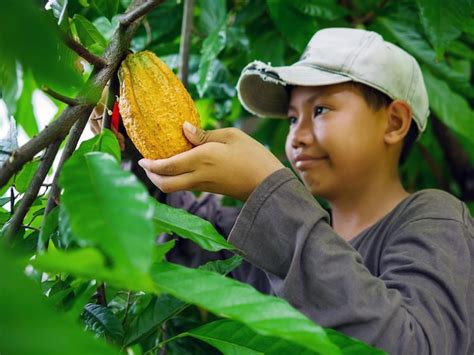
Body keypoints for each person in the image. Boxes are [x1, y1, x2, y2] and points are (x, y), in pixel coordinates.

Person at [98, 28, 474, 354]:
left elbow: (415, 346)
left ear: (394, 122)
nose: (297, 136)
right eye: (293, 118)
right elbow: (189, 239)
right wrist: (132, 146)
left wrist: (266, 186)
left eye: (321, 110)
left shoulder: (434, 216)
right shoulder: (280, 237)